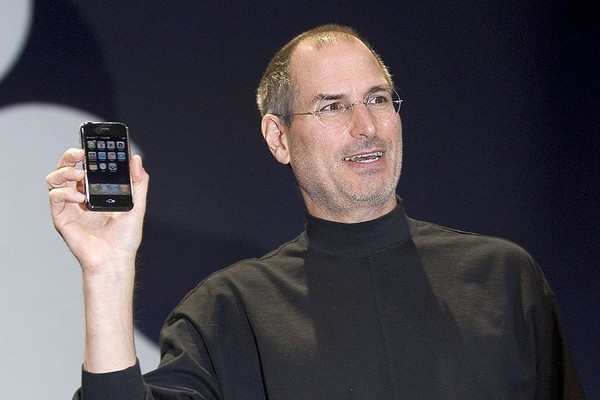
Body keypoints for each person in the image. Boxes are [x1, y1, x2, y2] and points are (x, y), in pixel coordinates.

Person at [46, 24, 585, 399]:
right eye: (333, 106)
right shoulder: (229, 313)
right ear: (278, 138)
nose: (366, 127)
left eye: (378, 99)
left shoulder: (502, 277)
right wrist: (107, 272)